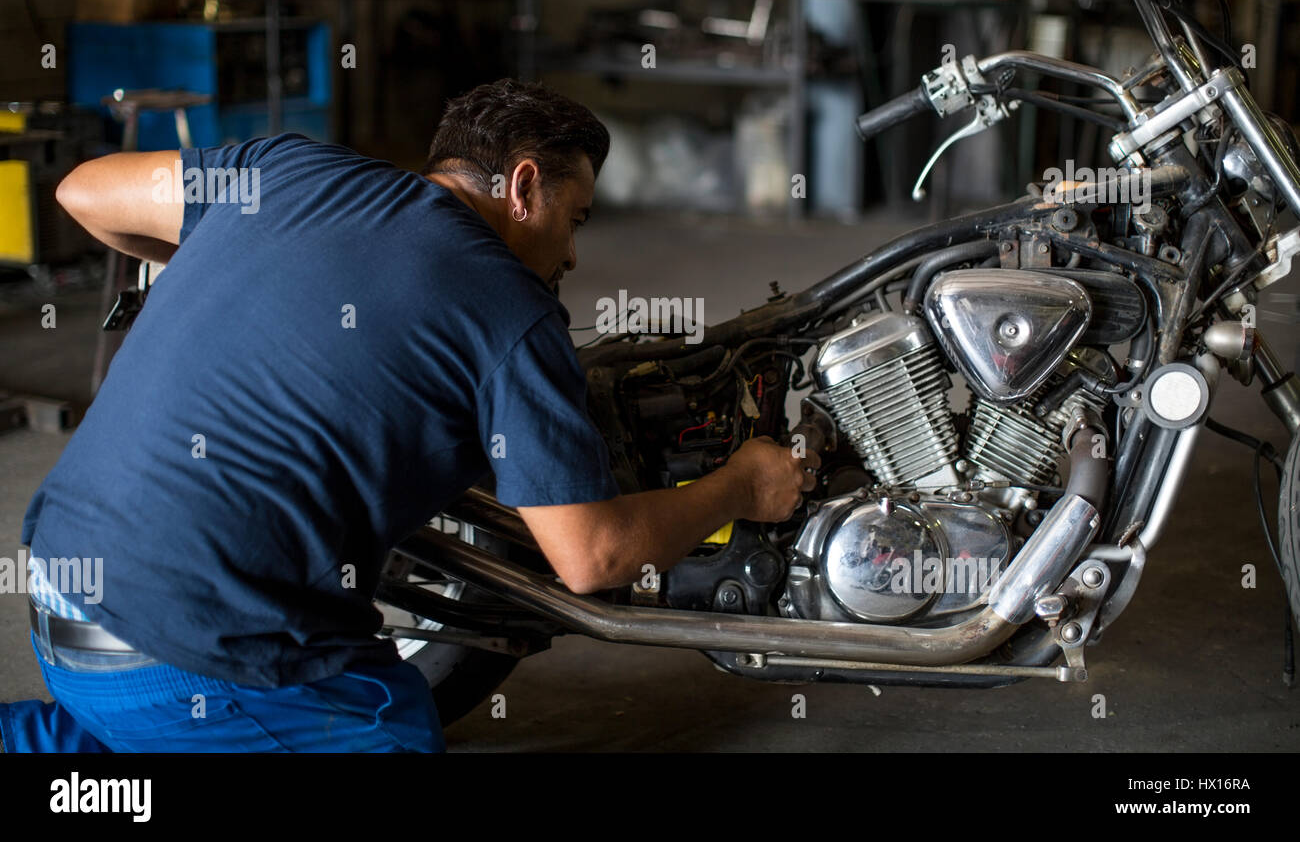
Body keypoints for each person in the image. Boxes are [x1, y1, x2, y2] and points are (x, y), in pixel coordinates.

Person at [0, 79, 817, 753]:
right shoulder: (510, 313)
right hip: (180, 659)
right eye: (576, 221)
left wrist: (231, 279)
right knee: (395, 730)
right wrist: (741, 486)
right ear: (524, 186)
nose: (571, 256)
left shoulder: (285, 170)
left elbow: (84, 190)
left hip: (59, 600)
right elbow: (592, 556)